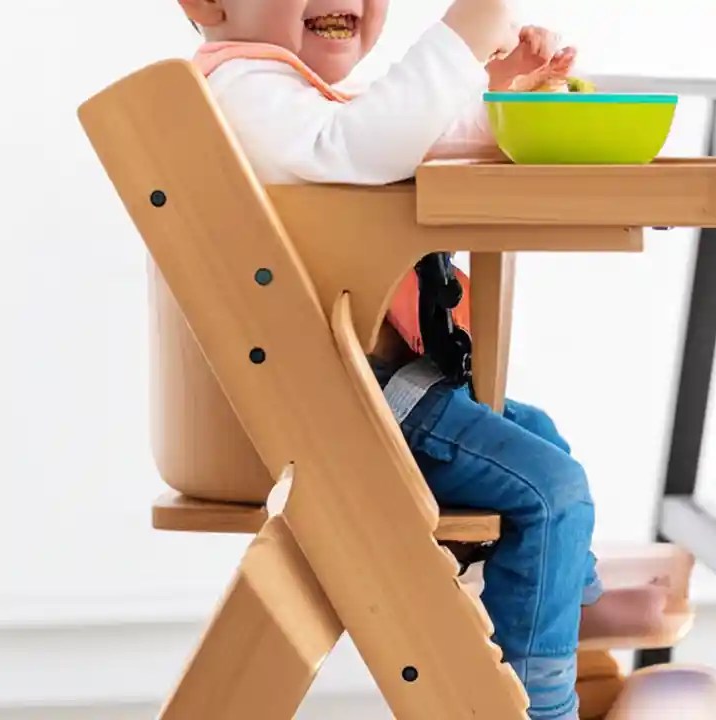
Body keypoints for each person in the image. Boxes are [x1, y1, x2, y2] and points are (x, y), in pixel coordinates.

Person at [176, 1, 668, 716]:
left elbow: (411, 141)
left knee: (542, 439)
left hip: (362, 392)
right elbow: (364, 145)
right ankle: (540, 698)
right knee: (549, 487)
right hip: (343, 409)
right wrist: (459, 41)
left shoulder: (292, 101)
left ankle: (561, 602)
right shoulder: (246, 93)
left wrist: (502, 96)